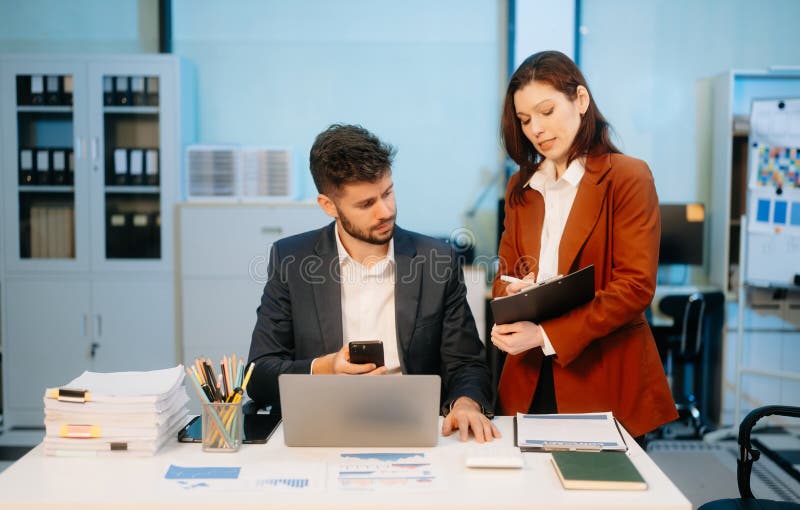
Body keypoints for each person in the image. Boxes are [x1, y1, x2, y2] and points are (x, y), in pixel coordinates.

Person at [247, 123, 500, 443]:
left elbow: (467, 365)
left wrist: (465, 404)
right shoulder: (291, 260)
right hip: (324, 428)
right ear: (329, 206)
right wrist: (326, 368)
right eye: (366, 204)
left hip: (415, 428)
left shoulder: (437, 260)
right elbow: (259, 374)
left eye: (388, 192)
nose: (386, 211)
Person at [490, 50, 677, 438]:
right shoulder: (520, 187)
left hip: (603, 378)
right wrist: (514, 295)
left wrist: (545, 334)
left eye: (546, 111)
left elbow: (634, 287)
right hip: (528, 378)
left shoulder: (627, 177)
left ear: (580, 100)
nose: (536, 129)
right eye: (525, 120)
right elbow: (505, 274)